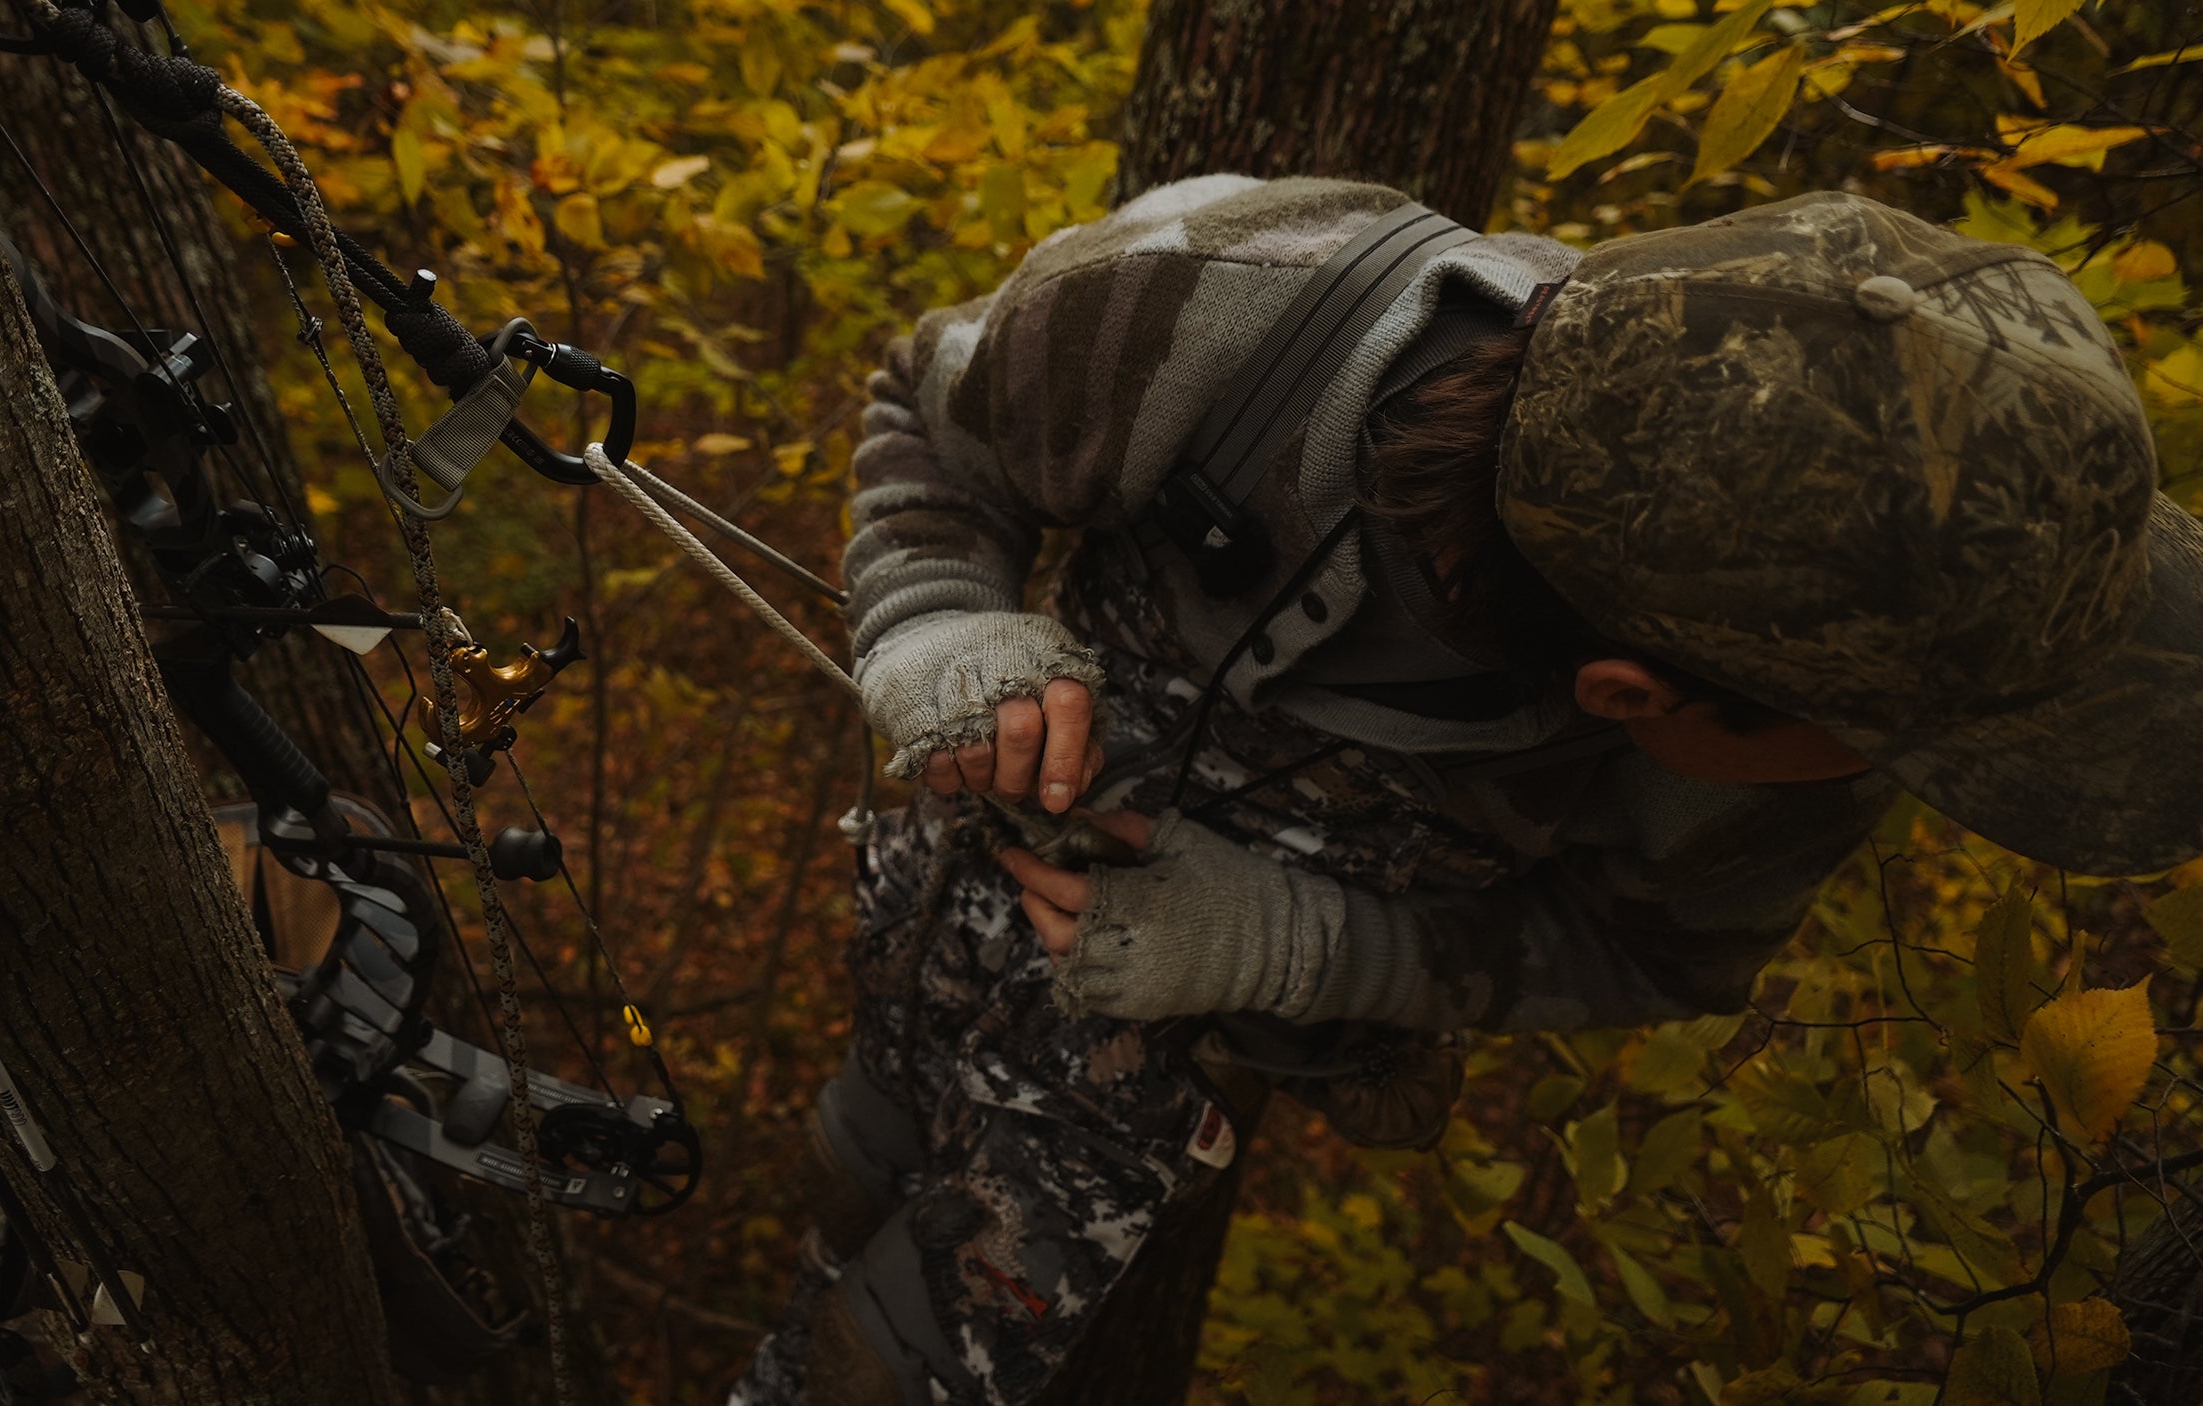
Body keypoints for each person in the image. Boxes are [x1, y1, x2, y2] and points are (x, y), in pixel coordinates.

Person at [726, 175, 2203, 1406]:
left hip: (1123, 1109)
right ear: (1634, 699)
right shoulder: (1222, 306)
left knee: (886, 1363)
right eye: (1895, 748)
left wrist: (1299, 948)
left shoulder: (1819, 692)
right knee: (854, 1162)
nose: (1885, 781)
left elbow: (1646, 951)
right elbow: (929, 411)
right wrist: (936, 619)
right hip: (929, 913)